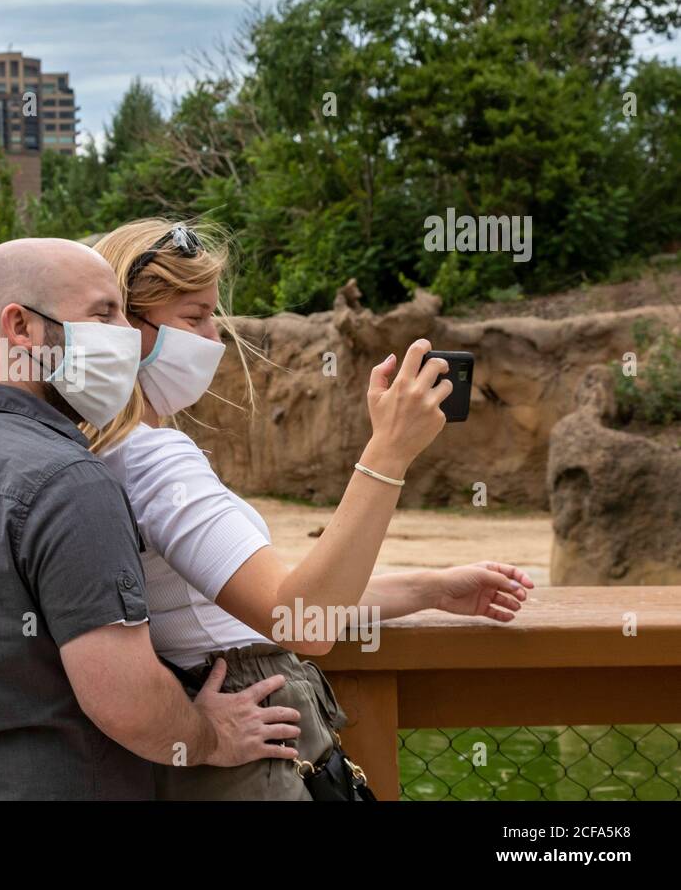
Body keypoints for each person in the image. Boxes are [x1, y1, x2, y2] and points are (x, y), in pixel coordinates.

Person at [89, 218, 536, 800]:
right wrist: (389, 451)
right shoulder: (155, 458)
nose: (215, 339)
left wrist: (433, 589)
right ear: (129, 329)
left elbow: (286, 597)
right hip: (256, 761)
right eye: (194, 317)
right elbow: (301, 619)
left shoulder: (107, 448)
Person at [0, 237, 302, 800]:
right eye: (104, 314)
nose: (125, 336)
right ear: (20, 327)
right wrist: (212, 737)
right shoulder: (71, 482)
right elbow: (127, 699)